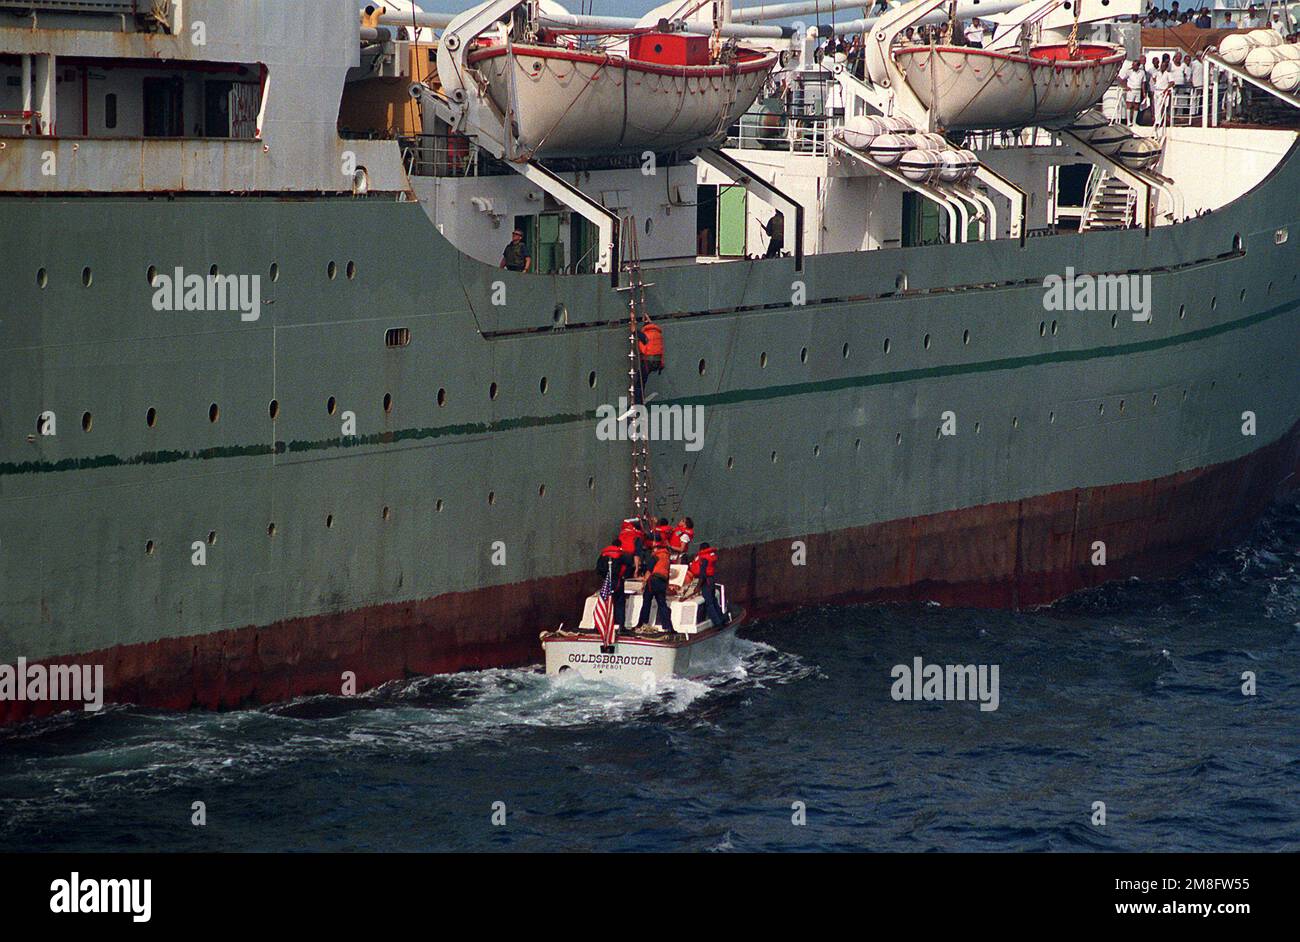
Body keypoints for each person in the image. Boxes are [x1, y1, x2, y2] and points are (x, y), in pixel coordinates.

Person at [634, 542, 675, 637]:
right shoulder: (667, 558)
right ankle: (668, 626)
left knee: (646, 602)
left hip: (653, 581)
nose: (653, 550)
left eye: (654, 548)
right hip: (662, 582)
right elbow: (667, 573)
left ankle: (642, 623)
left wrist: (644, 583)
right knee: (662, 604)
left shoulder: (656, 556)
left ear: (657, 548)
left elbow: (649, 571)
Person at [687, 543, 727, 628]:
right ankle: (723, 618)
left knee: (709, 603)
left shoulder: (704, 558)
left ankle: (718, 623)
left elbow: (702, 573)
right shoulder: (710, 556)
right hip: (711, 579)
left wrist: (698, 586)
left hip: (706, 582)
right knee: (713, 600)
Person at [596, 536, 633, 629]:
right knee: (620, 602)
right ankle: (620, 625)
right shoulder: (620, 554)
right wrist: (625, 575)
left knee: (605, 601)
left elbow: (598, 568)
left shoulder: (603, 554)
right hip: (617, 580)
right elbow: (630, 564)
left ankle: (600, 625)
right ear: (619, 546)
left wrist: (604, 577)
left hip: (606, 581)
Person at [635, 319, 664, 402]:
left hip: (647, 362)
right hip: (657, 363)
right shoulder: (658, 333)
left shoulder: (645, 335)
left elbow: (643, 350)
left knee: (639, 383)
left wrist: (634, 329)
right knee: (643, 381)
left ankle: (638, 403)